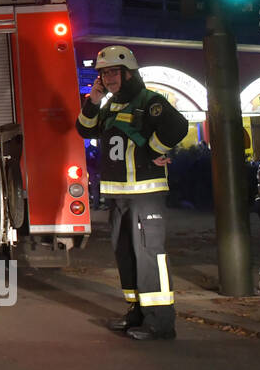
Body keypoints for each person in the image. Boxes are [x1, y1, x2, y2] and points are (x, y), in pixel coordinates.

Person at [76, 45, 189, 341]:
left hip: (145, 194)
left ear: (128, 73)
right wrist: (93, 100)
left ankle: (160, 323)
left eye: (113, 72)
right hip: (119, 196)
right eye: (103, 73)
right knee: (126, 255)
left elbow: (178, 126)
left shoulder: (149, 101)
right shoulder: (111, 105)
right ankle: (137, 313)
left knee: (150, 257)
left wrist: (154, 150)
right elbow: (84, 130)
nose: (108, 78)